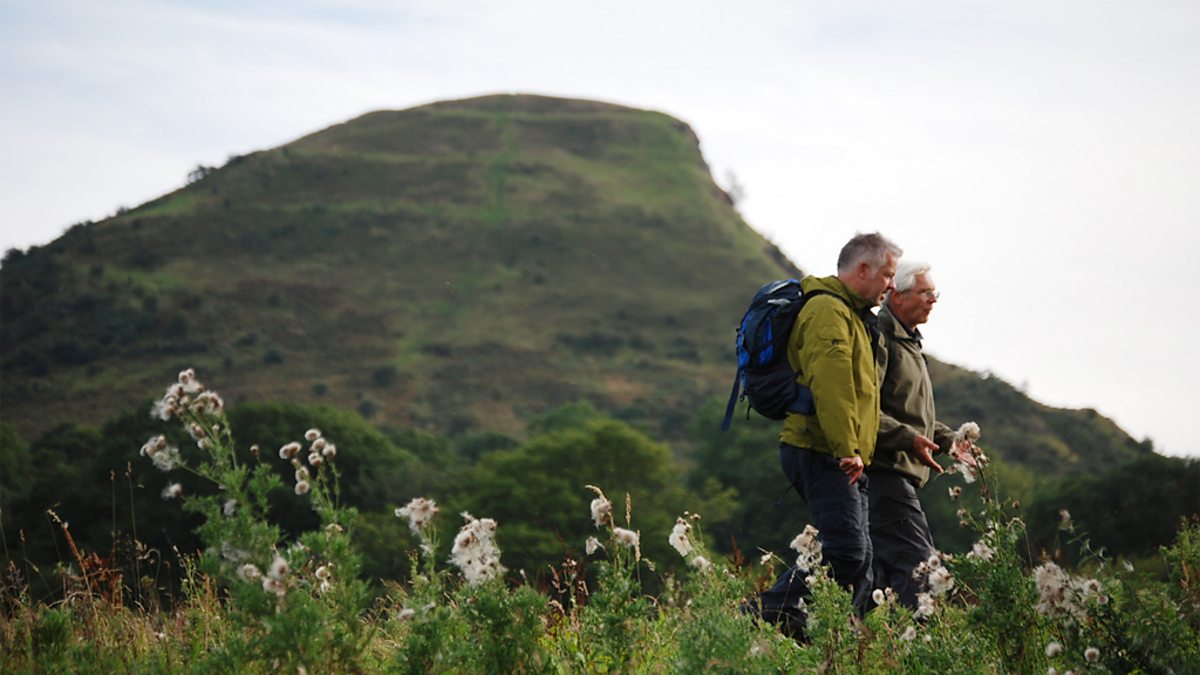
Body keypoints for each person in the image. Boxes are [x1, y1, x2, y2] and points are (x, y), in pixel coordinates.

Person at [755, 232, 902, 632]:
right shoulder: (828, 312)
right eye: (888, 275)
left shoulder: (853, 316)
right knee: (847, 552)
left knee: (862, 559)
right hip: (820, 449)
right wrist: (846, 449)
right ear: (863, 269)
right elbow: (832, 387)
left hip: (840, 452)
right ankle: (761, 618)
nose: (891, 285)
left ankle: (830, 638)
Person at [867, 261, 974, 609]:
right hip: (883, 472)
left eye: (934, 293)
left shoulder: (909, 341)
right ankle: (926, 645)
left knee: (863, 569)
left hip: (896, 474)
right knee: (920, 568)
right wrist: (909, 440)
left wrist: (946, 440)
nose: (933, 300)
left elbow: (909, 415)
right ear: (897, 295)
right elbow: (864, 410)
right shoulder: (881, 336)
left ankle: (770, 619)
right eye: (926, 292)